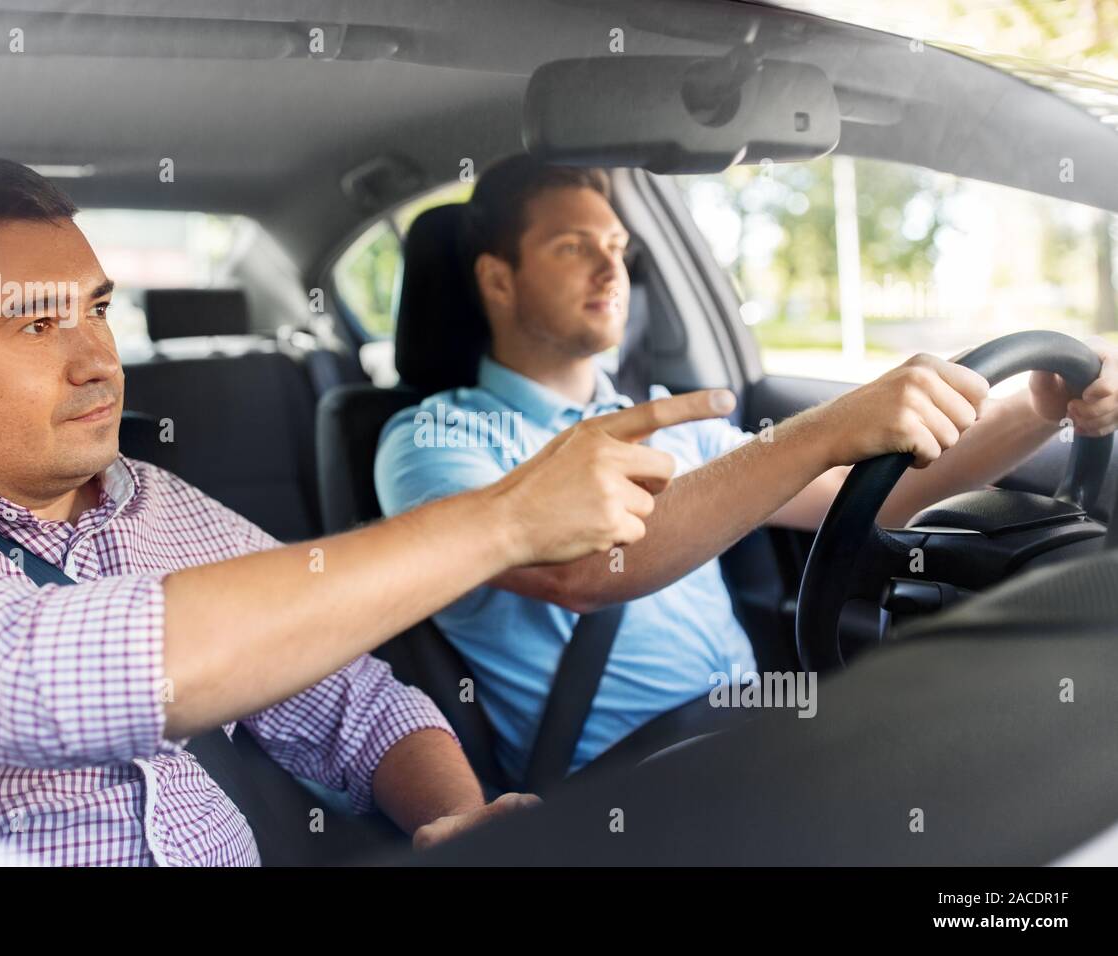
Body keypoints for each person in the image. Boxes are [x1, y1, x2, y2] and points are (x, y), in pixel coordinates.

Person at [0, 153, 722, 865]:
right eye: (36, 324)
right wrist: (503, 520)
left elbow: (353, 702)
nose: (98, 359)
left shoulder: (161, 505)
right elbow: (47, 675)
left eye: (97, 310)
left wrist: (457, 815)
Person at [375, 154, 1118, 783]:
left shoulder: (666, 416)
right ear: (498, 280)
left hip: (761, 730)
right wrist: (828, 429)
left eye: (617, 244)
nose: (612, 267)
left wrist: (1039, 405)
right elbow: (582, 572)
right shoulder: (432, 440)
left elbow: (884, 500)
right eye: (573, 246)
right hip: (622, 784)